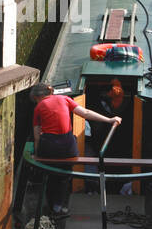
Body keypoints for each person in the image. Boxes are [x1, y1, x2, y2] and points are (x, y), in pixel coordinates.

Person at [30, 83, 122, 214]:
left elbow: (36, 136)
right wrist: (109, 120)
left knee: (50, 176)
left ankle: (52, 207)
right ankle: (60, 204)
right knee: (64, 175)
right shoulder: (64, 99)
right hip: (67, 148)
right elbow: (86, 113)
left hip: (49, 148)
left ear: (38, 97)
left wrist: (38, 155)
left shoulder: (38, 107)